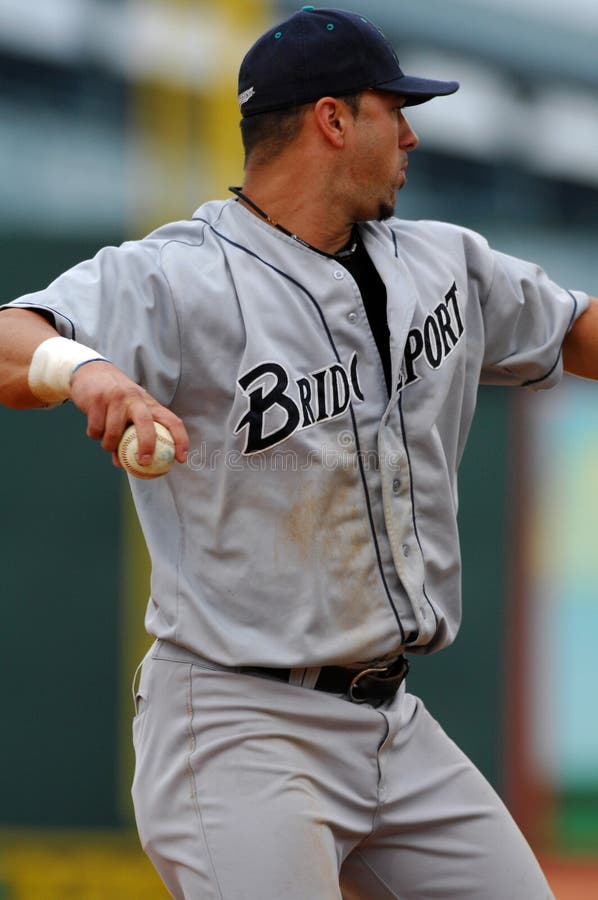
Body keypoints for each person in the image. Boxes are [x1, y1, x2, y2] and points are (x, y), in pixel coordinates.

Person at [0, 6, 595, 898]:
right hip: (240, 724)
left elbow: (574, 327)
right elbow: (12, 335)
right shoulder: (182, 276)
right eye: (395, 108)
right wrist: (87, 376)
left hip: (394, 723)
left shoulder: (442, 264)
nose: (413, 134)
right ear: (332, 119)